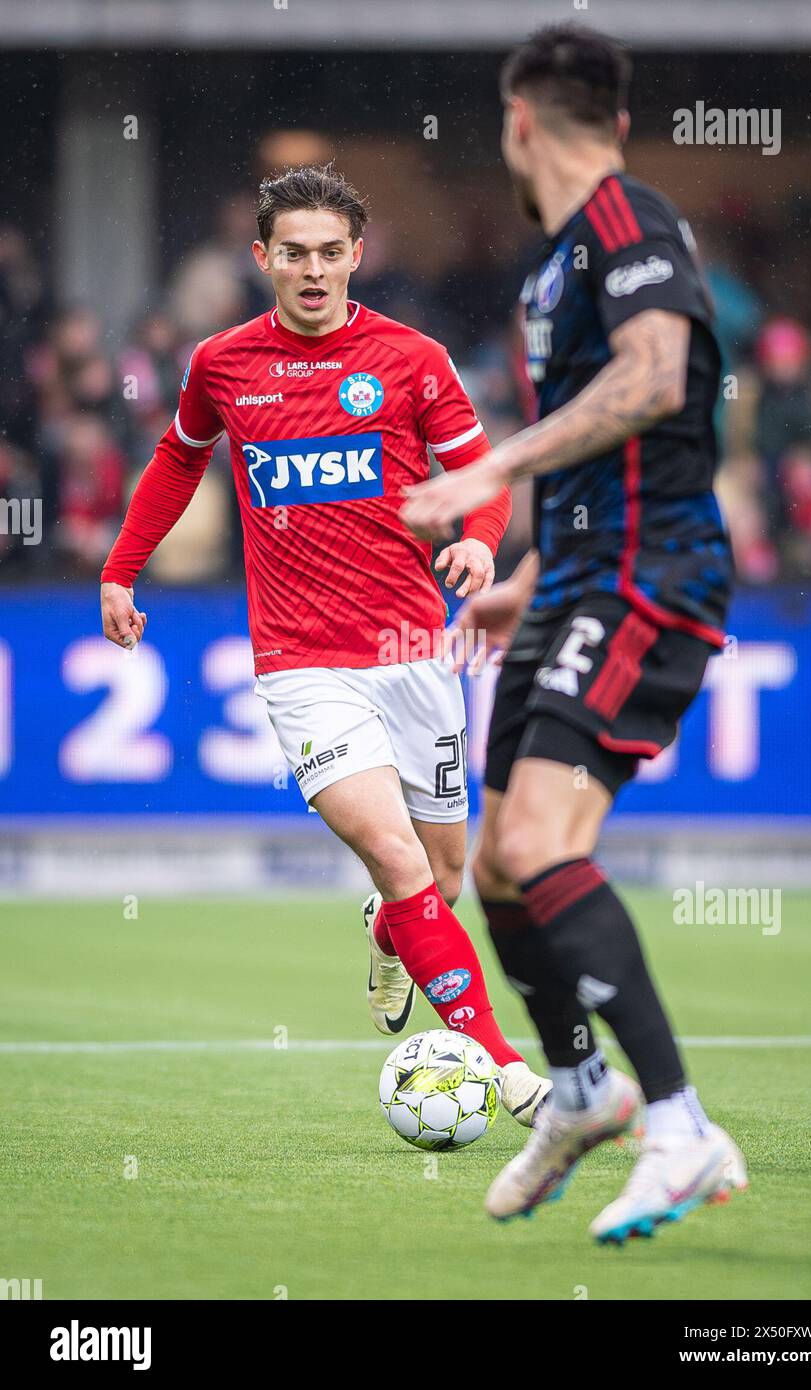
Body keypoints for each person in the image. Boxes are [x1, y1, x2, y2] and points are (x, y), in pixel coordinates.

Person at [100, 164, 550, 1126]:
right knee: (398, 861)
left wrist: (475, 541)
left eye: (330, 253)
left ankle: (391, 938)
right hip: (302, 663)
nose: (313, 271)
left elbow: (482, 473)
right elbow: (179, 461)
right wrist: (120, 568)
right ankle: (501, 1064)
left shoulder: (414, 358)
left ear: (358, 255)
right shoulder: (223, 363)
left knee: (442, 878)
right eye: (293, 253)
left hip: (414, 652)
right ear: (262, 257)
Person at [401, 26, 747, 1242]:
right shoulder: (555, 269)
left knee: (542, 841)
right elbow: (610, 445)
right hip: (578, 579)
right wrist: (531, 570)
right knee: (497, 862)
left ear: (517, 122)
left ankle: (681, 1124)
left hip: (651, 579)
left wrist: (486, 467)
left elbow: (656, 384)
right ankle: (583, 1087)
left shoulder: (625, 221)